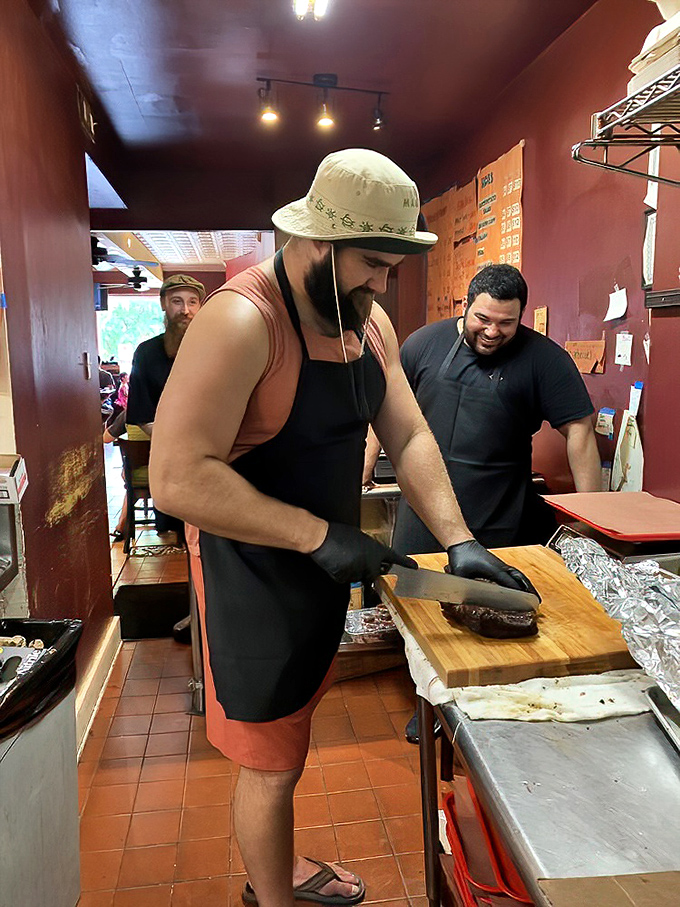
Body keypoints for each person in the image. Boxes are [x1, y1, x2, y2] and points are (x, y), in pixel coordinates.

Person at [149, 149, 537, 907]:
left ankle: (279, 867)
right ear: (318, 242)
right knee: (269, 761)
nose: (382, 284)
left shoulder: (368, 320)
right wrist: (318, 535)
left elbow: (412, 436)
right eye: (371, 264)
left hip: (320, 562)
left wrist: (458, 539)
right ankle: (272, 895)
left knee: (293, 738)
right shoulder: (240, 320)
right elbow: (177, 478)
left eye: (392, 267)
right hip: (250, 574)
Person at [381, 263, 600, 558]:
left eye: (505, 323)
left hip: (501, 519)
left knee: (494, 601)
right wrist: (365, 467)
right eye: (482, 319)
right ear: (465, 305)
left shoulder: (546, 360)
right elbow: (384, 406)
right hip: (423, 512)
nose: (492, 331)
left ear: (520, 316)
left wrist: (591, 517)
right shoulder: (423, 343)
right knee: (413, 594)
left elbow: (580, 431)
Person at [127, 274, 206, 536]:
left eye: (192, 302)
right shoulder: (146, 353)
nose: (185, 310)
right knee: (176, 533)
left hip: (217, 452)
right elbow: (142, 413)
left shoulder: (217, 348)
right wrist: (177, 445)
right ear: (163, 304)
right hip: (169, 455)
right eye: (177, 301)